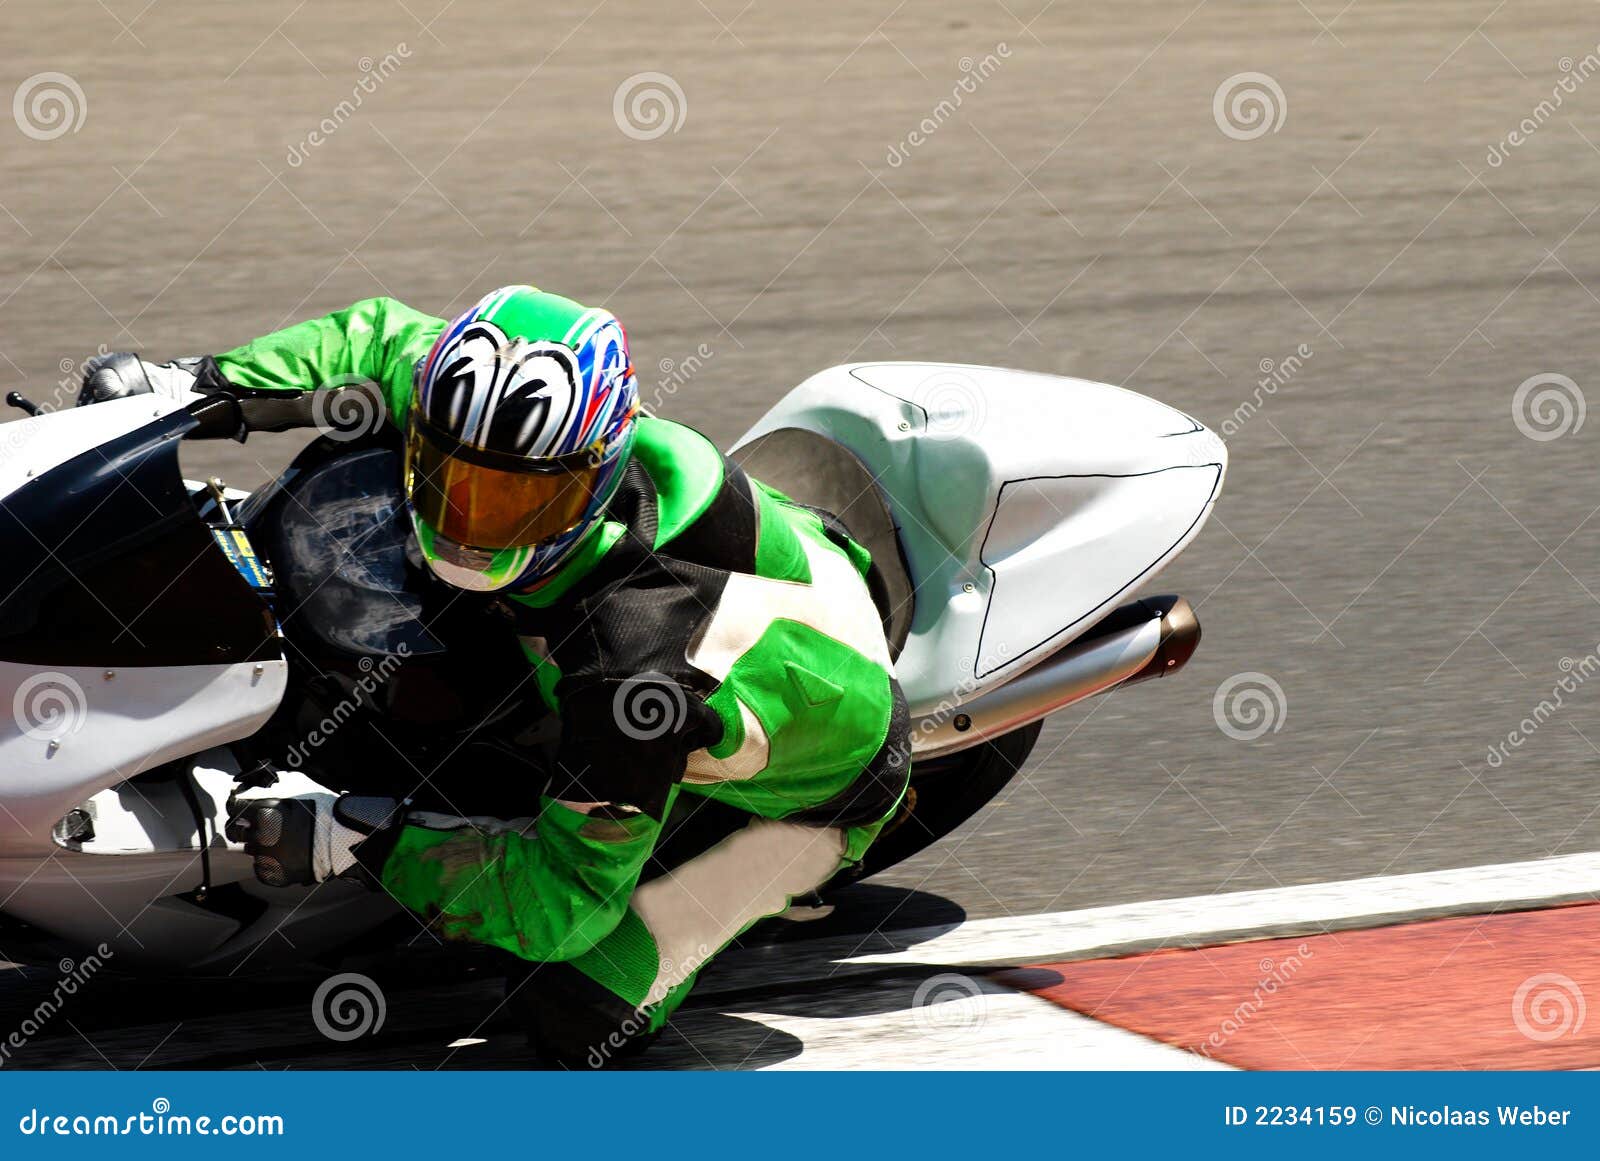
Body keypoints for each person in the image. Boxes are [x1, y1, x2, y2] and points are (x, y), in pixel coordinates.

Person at [81, 285, 910, 1065]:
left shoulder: (630, 669)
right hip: (761, 601)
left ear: (593, 477)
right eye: (451, 479)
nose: (471, 525)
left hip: (791, 791)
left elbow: (566, 902)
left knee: (575, 1012)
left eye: (519, 502)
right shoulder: (496, 414)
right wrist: (193, 384)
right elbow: (371, 336)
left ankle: (792, 869)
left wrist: (361, 837)